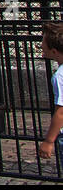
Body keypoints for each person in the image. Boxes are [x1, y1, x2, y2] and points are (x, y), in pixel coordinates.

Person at [38, 22, 63, 175]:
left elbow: (61, 112)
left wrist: (49, 141)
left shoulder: (60, 76)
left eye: (43, 44)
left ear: (54, 51)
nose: (41, 46)